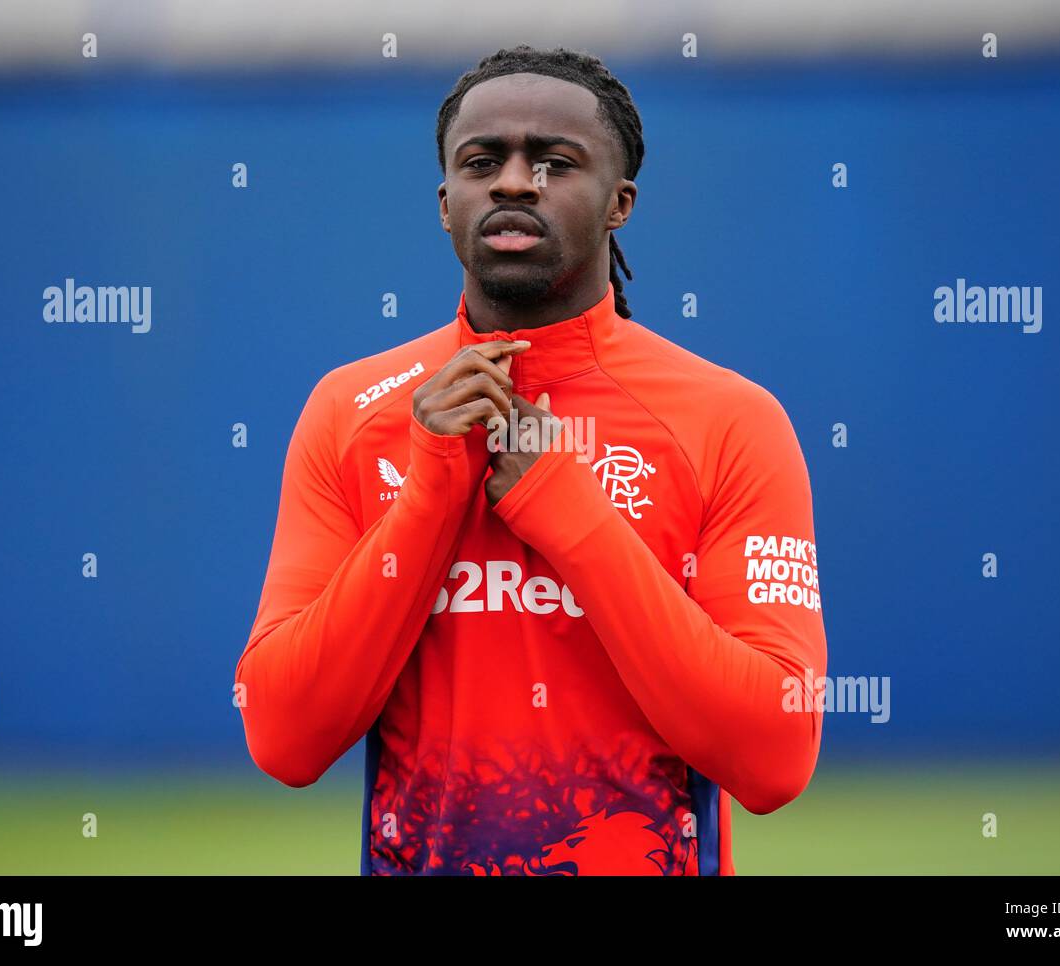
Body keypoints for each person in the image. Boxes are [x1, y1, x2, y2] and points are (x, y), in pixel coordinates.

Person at [235, 44, 827, 875]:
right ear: (446, 203)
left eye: (554, 161)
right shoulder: (351, 412)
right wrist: (432, 489)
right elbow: (284, 736)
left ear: (620, 203)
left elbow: (774, 756)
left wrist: (568, 510)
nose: (514, 182)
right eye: (483, 162)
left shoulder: (731, 420)